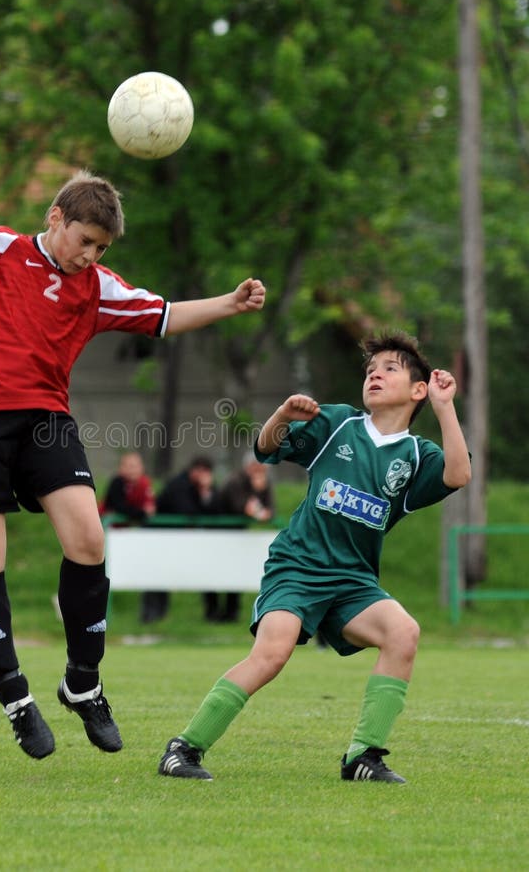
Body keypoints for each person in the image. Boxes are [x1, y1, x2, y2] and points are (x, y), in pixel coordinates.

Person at [0, 140, 265, 760]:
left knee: (89, 539)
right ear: (56, 218)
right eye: (85, 240)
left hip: (45, 419)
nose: (90, 255)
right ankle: (14, 695)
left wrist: (229, 304)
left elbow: (164, 314)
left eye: (101, 248)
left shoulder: (97, 287)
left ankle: (82, 682)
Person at [158, 331, 471, 783]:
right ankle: (183, 748)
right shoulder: (340, 423)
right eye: (370, 370)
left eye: (389, 369)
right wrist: (282, 415)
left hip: (352, 580)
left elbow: (459, 474)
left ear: (418, 389)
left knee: (403, 632)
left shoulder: (417, 456)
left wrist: (445, 407)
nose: (375, 375)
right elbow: (265, 447)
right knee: (273, 653)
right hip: (298, 567)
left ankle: (363, 756)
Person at [141, 456, 221, 623]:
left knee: (207, 573)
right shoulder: (178, 484)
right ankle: (152, 615)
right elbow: (187, 512)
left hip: (182, 541)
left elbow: (217, 510)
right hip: (160, 538)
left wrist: (205, 492)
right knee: (156, 577)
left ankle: (212, 614)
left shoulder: (207, 489)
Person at [206, 452, 276, 623]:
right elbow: (243, 507)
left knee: (235, 572)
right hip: (217, 533)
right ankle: (212, 612)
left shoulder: (263, 483)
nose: (261, 472)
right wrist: (258, 492)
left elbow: (270, 510)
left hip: (237, 535)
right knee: (212, 574)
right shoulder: (234, 481)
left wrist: (261, 496)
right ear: (250, 467)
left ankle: (231, 613)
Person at [99, 451, 156, 523]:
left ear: (142, 468)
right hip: (107, 523)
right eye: (127, 466)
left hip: (127, 525)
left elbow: (150, 506)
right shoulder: (117, 483)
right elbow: (119, 507)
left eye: (134, 466)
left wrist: (147, 510)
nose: (132, 470)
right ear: (120, 468)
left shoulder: (145, 483)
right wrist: (142, 513)